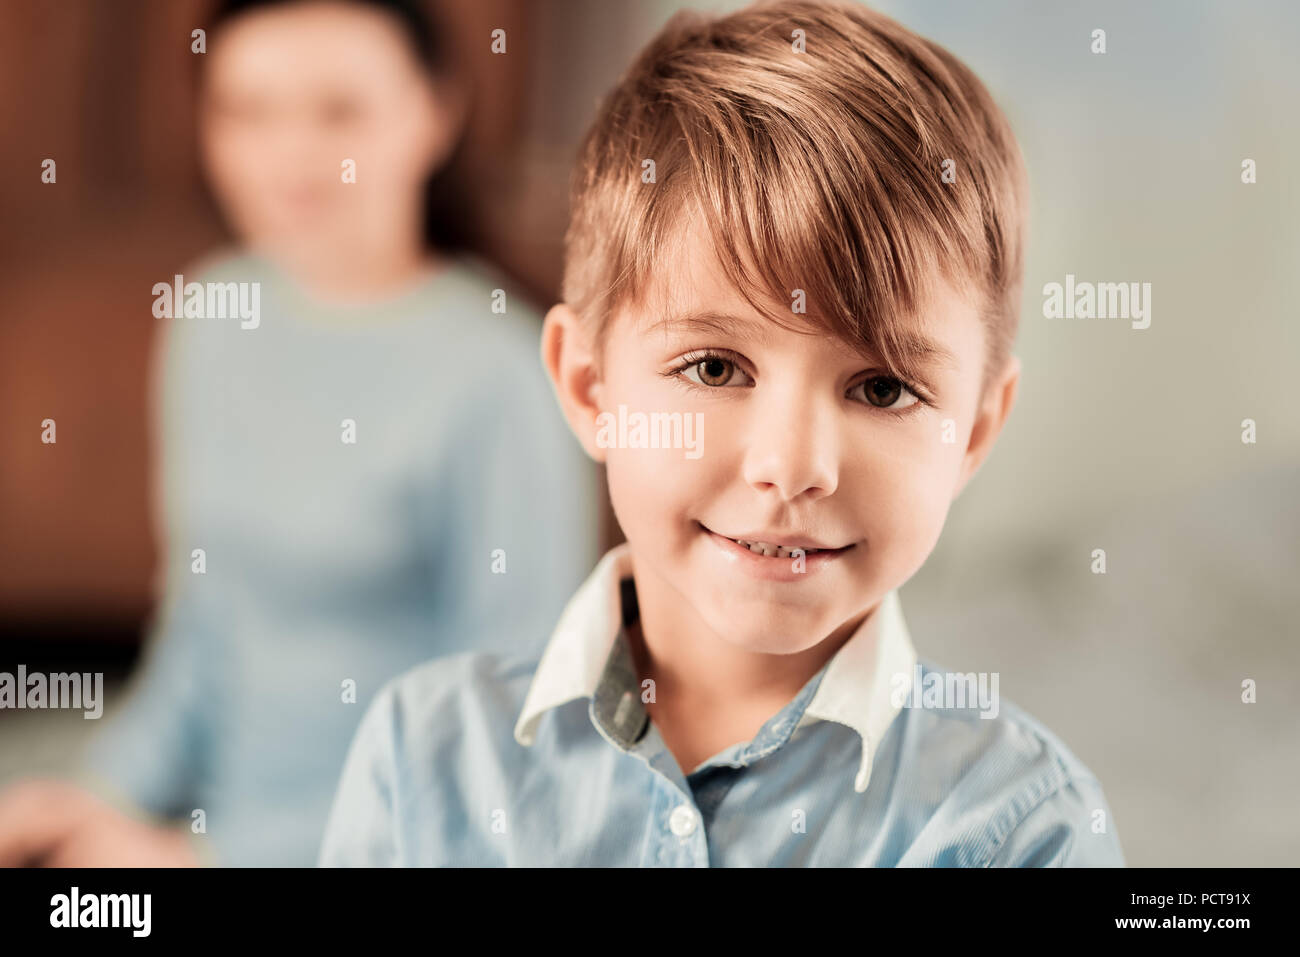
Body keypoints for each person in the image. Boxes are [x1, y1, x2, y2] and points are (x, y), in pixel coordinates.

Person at [317, 0, 1125, 866]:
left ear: (971, 433)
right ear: (591, 387)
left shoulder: (1022, 825)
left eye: (883, 387)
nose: (790, 466)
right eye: (714, 368)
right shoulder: (424, 758)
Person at [0, 0, 597, 867]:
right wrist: (94, 799)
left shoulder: (503, 376)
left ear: (437, 111)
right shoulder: (210, 316)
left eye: (338, 112)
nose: (289, 155)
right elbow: (202, 633)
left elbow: (506, 753)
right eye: (247, 112)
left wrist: (203, 859)